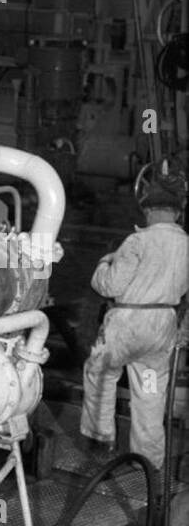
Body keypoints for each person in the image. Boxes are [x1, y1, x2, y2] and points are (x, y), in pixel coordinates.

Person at [79, 174, 189, 485]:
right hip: (163, 327)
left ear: (149, 210)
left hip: (127, 324)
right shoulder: (187, 245)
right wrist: (184, 330)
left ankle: (99, 449)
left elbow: (110, 285)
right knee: (150, 393)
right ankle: (148, 466)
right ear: (178, 212)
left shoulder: (138, 241)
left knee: (101, 376)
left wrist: (104, 264)